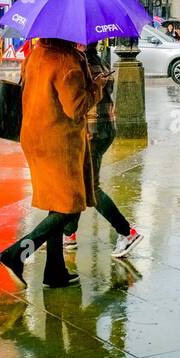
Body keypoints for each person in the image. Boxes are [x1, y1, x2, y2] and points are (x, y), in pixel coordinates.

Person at [0, 38, 105, 288]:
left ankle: (55, 270)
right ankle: (16, 255)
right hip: (59, 142)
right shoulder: (67, 62)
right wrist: (97, 87)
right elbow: (75, 108)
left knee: (57, 202)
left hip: (35, 137)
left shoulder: (38, 53)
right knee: (70, 205)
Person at [64, 43, 142, 259]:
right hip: (105, 128)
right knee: (79, 184)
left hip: (92, 131)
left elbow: (78, 103)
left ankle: (127, 232)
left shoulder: (83, 65)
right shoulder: (96, 60)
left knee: (90, 188)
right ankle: (69, 234)